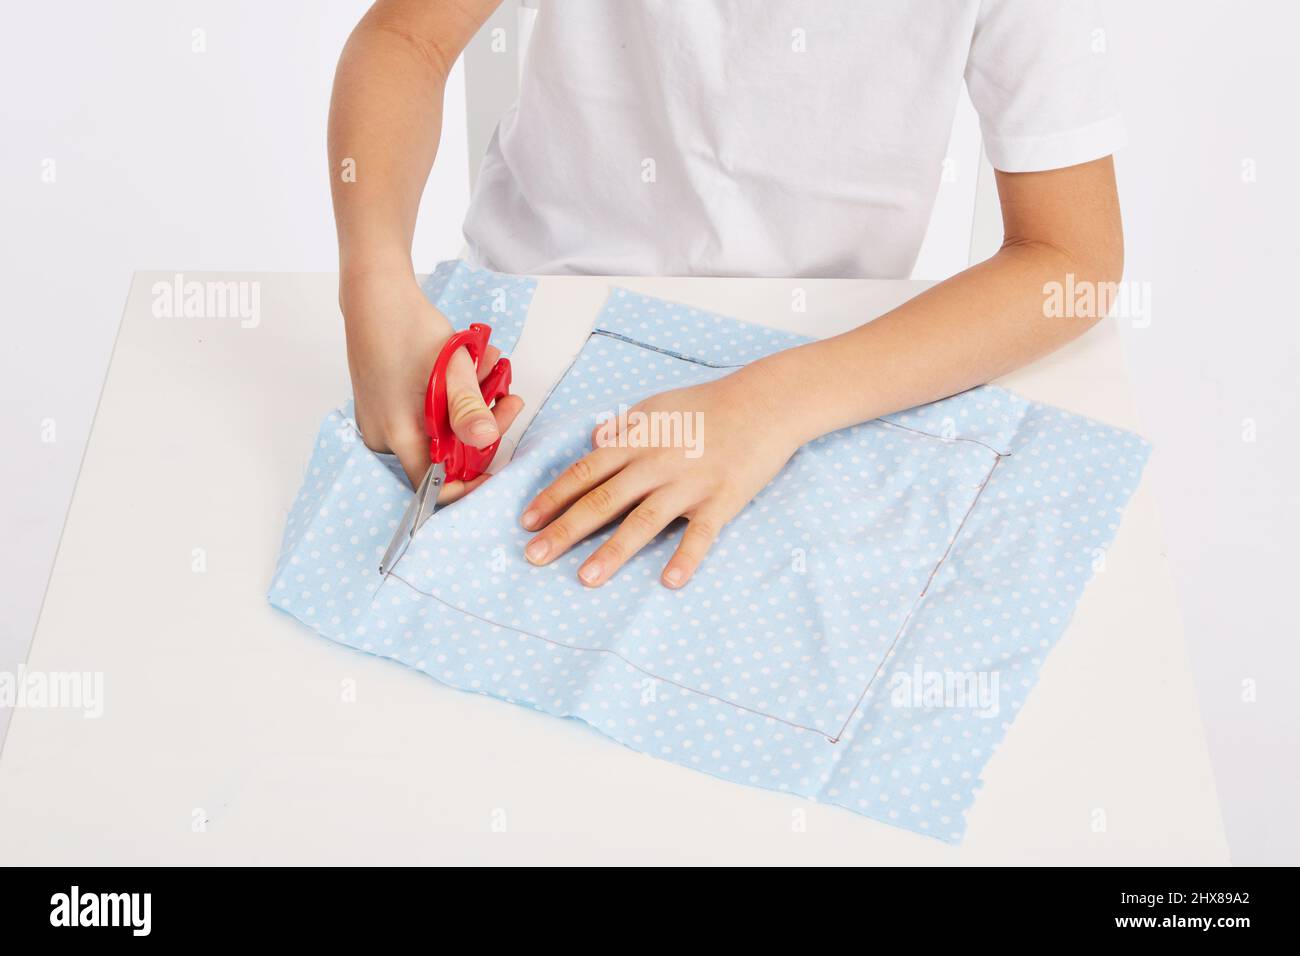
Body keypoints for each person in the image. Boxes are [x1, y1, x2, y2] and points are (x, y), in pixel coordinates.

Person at [329, 0, 1125, 589]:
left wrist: (772, 405)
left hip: (832, 368)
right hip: (533, 328)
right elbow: (408, 35)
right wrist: (372, 282)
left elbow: (1071, 260)